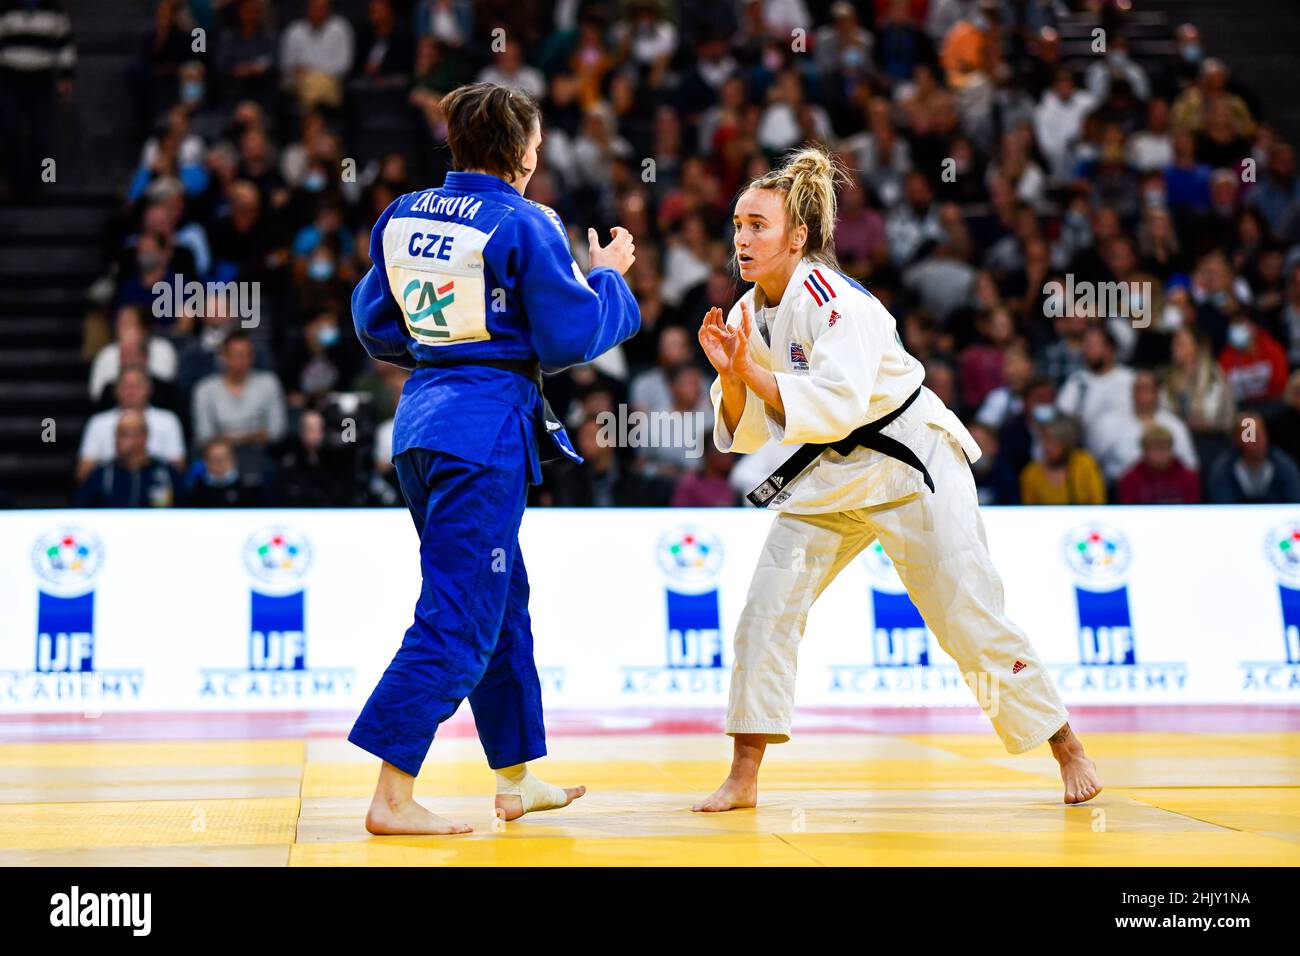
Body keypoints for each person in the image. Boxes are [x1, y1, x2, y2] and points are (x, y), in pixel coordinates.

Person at [693, 148, 1100, 813]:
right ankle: (744, 775)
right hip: (829, 479)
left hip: (911, 465)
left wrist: (753, 375)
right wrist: (734, 375)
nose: (741, 238)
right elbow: (740, 430)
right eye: (737, 224)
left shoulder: (836, 302)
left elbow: (836, 404)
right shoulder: (745, 314)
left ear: (797, 236)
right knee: (765, 611)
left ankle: (1064, 743)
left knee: (967, 615)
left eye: (758, 225)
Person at [348, 83, 640, 834]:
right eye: (536, 145)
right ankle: (391, 796)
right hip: (482, 437)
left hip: (421, 426)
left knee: (501, 601)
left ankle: (516, 778)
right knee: (460, 614)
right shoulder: (525, 219)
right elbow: (570, 338)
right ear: (521, 153)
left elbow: (374, 322)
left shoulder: (402, 214)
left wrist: (440, 349)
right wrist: (607, 276)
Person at [75, 411, 181, 508]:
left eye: (124, 434)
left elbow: (185, 511)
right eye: (117, 434)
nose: (117, 440)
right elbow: (82, 512)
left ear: (143, 437)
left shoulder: (166, 474)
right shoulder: (101, 475)